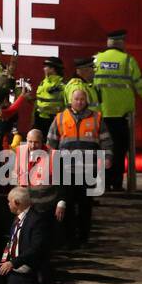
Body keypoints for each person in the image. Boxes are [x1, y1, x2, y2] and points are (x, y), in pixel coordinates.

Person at [47, 88, 112, 247]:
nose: (79, 102)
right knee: (65, 204)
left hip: (88, 170)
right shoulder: (60, 118)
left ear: (87, 101)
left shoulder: (97, 118)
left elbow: (106, 141)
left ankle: (83, 239)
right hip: (66, 169)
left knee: (85, 205)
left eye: (82, 99)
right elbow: (51, 143)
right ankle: (68, 239)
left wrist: (108, 157)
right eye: (77, 99)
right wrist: (50, 163)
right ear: (71, 100)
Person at [91, 30, 142, 192]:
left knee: (101, 150)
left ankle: (101, 183)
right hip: (121, 115)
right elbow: (139, 84)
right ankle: (116, 182)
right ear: (121, 43)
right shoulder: (127, 61)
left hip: (100, 115)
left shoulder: (96, 60)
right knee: (119, 151)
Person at [0, 186, 54, 284]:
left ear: (17, 203)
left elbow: (36, 249)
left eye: (9, 202)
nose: (8, 204)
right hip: (16, 277)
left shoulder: (37, 220)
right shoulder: (17, 219)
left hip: (33, 278)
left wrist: (13, 262)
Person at [31, 57, 68, 137]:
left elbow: (67, 105)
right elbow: (39, 101)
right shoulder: (43, 82)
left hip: (54, 120)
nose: (43, 69)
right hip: (39, 119)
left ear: (52, 69)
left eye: (46, 67)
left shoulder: (62, 85)